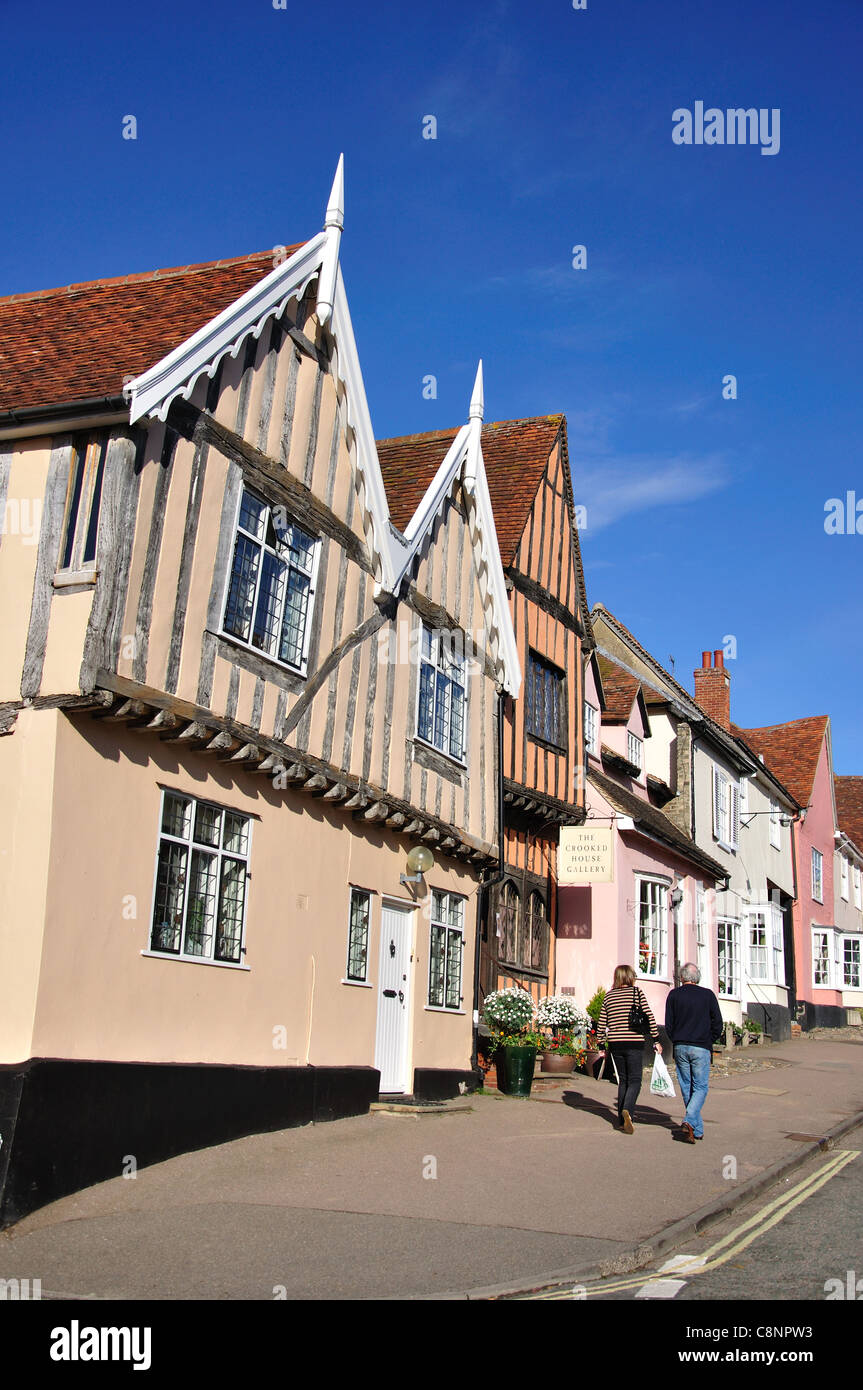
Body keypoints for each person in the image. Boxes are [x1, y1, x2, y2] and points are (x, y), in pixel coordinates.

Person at [596, 964, 662, 1134]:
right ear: (630, 977)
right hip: (634, 1041)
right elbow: (648, 1015)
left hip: (616, 1043)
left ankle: (621, 1121)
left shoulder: (608, 996)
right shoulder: (636, 993)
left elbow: (602, 1023)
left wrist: (601, 1044)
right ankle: (627, 1109)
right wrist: (656, 1038)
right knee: (635, 1081)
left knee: (623, 1080)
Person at [665, 962, 724, 1143]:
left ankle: (696, 1129)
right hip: (701, 1046)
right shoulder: (707, 995)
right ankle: (689, 1120)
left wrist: (676, 1039)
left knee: (686, 1085)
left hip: (681, 1045)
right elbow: (718, 1022)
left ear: (682, 977)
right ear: (696, 977)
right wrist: (710, 1039)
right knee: (700, 1087)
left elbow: (669, 1024)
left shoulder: (674, 995)